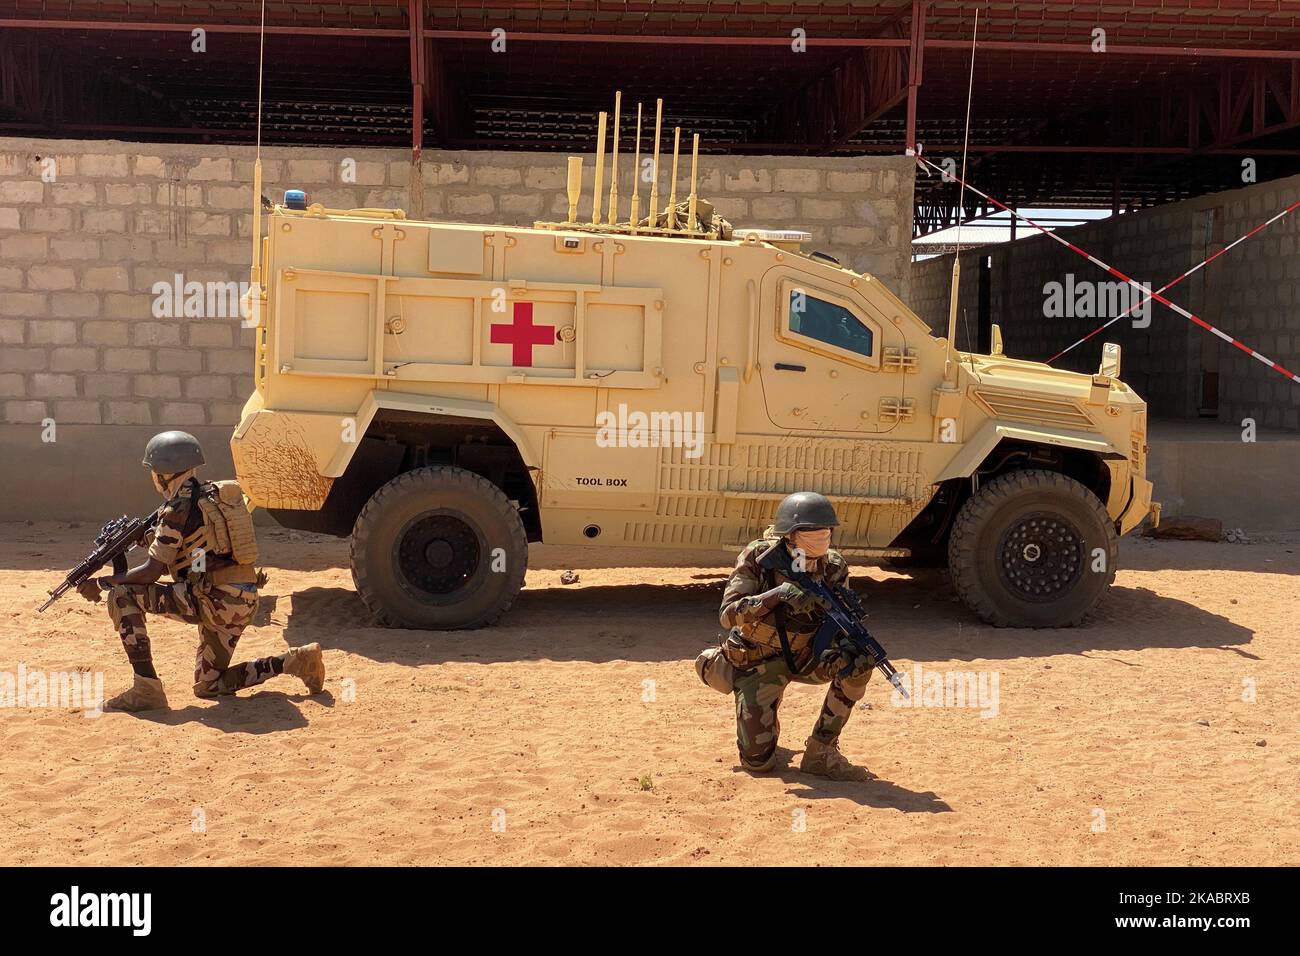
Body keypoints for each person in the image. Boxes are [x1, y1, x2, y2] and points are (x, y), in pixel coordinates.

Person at [79, 430, 325, 712]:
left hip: (213, 602)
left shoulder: (177, 509)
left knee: (122, 595)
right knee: (208, 685)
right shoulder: (211, 498)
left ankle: (146, 690)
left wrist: (102, 583)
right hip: (240, 600)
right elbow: (199, 554)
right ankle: (295, 661)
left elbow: (150, 573)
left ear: (164, 474)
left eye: (153, 472)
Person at [696, 491, 875, 780]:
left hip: (807, 656)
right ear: (789, 536)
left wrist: (849, 644)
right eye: (810, 538)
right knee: (758, 764)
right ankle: (760, 711)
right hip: (759, 661)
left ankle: (821, 751)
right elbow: (727, 615)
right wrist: (775, 596)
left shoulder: (833, 566)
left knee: (858, 663)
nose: (819, 545)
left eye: (825, 536)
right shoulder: (758, 556)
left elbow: (837, 623)